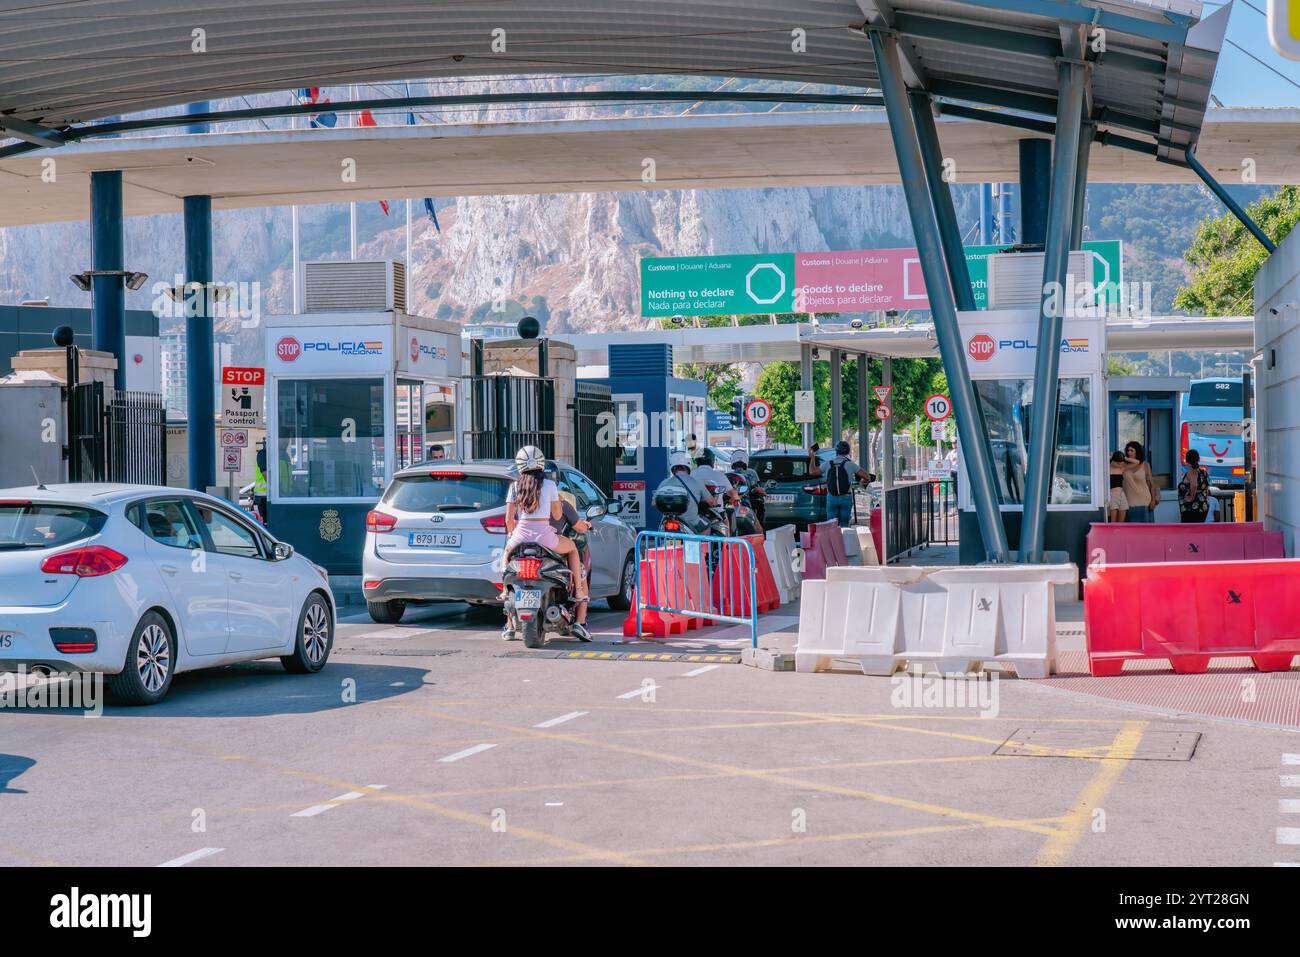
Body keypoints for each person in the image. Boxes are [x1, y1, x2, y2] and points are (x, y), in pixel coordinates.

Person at [503, 446, 590, 641]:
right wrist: (556, 502)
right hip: (545, 537)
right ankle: (578, 590)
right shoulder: (550, 486)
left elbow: (509, 519)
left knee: (507, 557)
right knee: (573, 549)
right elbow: (558, 515)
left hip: (520, 537)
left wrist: (513, 533)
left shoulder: (515, 486)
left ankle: (504, 593)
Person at [653, 451, 717, 534]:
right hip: (691, 522)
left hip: (667, 521)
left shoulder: (664, 482)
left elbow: (654, 503)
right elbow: (711, 502)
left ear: (672, 466)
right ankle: (699, 546)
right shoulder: (696, 482)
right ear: (688, 465)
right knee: (707, 527)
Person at [825, 440, 871, 528]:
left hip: (831, 497)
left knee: (831, 525)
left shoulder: (828, 463)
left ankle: (833, 541)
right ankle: (844, 540)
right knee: (844, 525)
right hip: (846, 497)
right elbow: (867, 476)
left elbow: (813, 471)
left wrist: (812, 458)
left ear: (836, 451)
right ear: (848, 451)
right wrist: (862, 482)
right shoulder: (850, 464)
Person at [1121, 440, 1160, 523]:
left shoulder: (1145, 465)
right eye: (1128, 450)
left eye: (1132, 450)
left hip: (1145, 502)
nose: (1129, 453)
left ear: (1137, 452)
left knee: (1146, 532)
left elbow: (1151, 484)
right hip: (1128, 503)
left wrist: (1153, 500)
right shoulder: (1123, 465)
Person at [1178, 449, 1211, 524]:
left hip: (1191, 509)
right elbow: (1206, 488)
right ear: (1198, 459)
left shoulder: (1191, 472)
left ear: (1187, 461)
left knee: (1189, 531)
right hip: (1203, 507)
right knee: (1198, 530)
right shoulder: (1203, 473)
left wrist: (1191, 497)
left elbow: (1194, 484)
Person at [731, 453, 764, 528]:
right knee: (759, 529)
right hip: (745, 505)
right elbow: (757, 488)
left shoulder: (728, 474)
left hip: (731, 505)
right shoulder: (751, 473)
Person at [1107, 451, 1128, 523]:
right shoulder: (1106, 469)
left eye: (1120, 462)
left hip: (1122, 494)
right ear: (1113, 460)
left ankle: (1120, 534)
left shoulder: (1121, 468)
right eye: (1117, 462)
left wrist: (1124, 458)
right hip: (1112, 494)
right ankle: (1113, 534)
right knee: (1113, 523)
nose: (1119, 464)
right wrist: (1110, 456)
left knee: (1121, 523)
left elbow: (1136, 462)